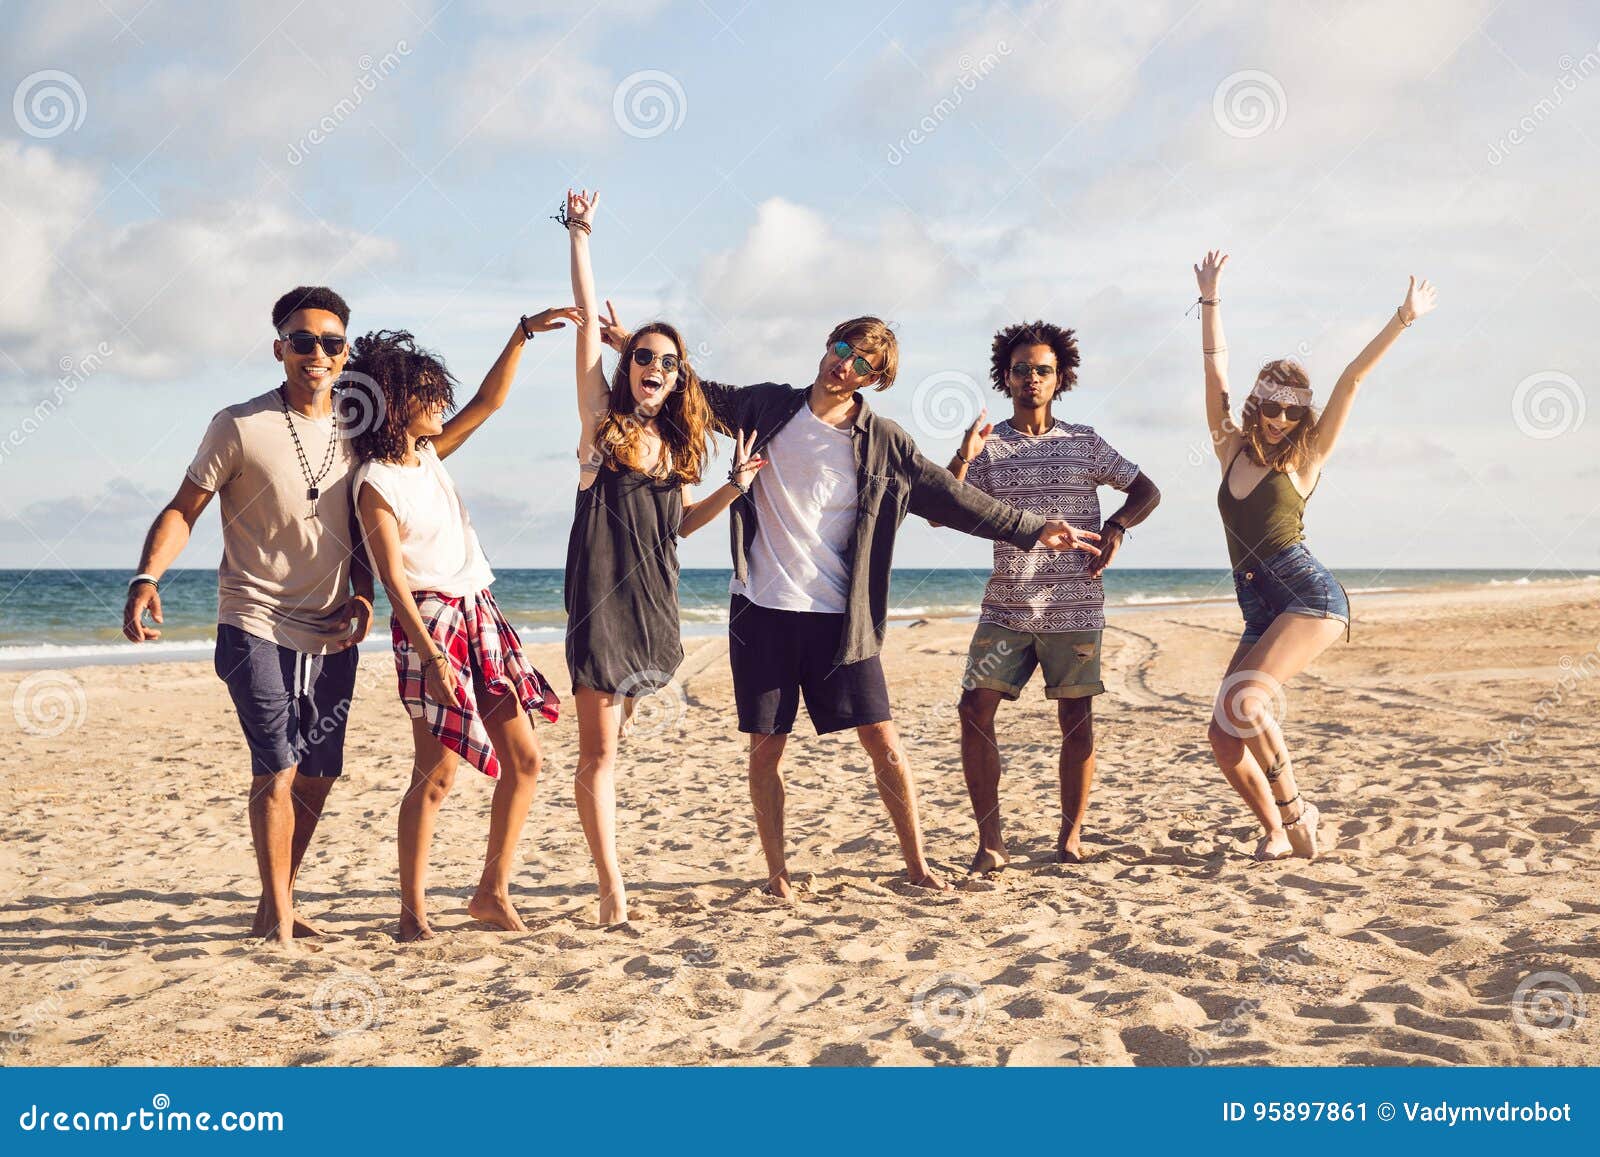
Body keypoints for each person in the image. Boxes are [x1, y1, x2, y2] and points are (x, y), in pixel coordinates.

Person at [603, 310, 1104, 897]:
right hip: (761, 609)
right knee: (767, 750)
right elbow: (687, 390)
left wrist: (1031, 527)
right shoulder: (766, 407)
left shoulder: (884, 442)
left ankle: (916, 863)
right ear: (828, 343)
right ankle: (777, 874)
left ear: (873, 379)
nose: (846, 364)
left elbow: (952, 500)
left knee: (883, 742)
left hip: (842, 617)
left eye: (863, 363)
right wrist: (629, 346)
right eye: (843, 348)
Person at [121, 286, 375, 947]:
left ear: (345, 353)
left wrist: (368, 590)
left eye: (330, 342)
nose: (316, 353)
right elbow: (184, 508)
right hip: (252, 618)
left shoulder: (360, 428)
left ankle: (274, 905)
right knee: (279, 763)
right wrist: (148, 575)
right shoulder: (237, 424)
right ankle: (280, 922)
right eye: (302, 340)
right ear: (279, 348)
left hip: (331, 629)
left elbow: (382, 520)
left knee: (320, 771)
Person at [563, 189, 766, 926]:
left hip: (654, 608)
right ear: (629, 368)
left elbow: (677, 526)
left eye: (668, 362)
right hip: (600, 610)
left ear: (680, 377)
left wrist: (735, 490)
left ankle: (604, 883)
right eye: (644, 356)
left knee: (614, 750)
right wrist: (582, 236)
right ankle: (613, 895)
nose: (654, 366)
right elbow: (586, 328)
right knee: (598, 758)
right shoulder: (601, 427)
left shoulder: (678, 445)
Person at [1194, 250, 1437, 860]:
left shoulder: (1306, 457)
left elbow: (1352, 377)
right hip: (1259, 605)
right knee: (1224, 739)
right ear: (1257, 406)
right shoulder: (1229, 450)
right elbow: (1215, 371)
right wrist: (1211, 298)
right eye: (1270, 408)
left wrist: (1402, 318)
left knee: (1249, 702)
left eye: (1291, 411)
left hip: (1308, 596)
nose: (1279, 420)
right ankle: (1275, 827)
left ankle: (1298, 811)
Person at [347, 317, 575, 941]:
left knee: (525, 759)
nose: (442, 401)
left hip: (479, 611)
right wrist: (434, 658)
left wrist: (524, 333)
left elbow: (490, 401)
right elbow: (392, 580)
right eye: (428, 392)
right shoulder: (375, 483)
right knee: (437, 775)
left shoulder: (427, 454)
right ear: (396, 403)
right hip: (431, 624)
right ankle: (412, 913)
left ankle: (490, 892)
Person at [942, 321, 1161, 870]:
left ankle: (1070, 839)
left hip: (1075, 605)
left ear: (1059, 377)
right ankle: (990, 843)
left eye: (1042, 370)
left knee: (1077, 719)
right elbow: (947, 509)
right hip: (1007, 609)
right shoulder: (989, 448)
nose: (1030, 379)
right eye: (1020, 370)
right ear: (1006, 377)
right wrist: (965, 457)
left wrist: (1117, 527)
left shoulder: (1083, 442)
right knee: (974, 709)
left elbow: (1146, 488)